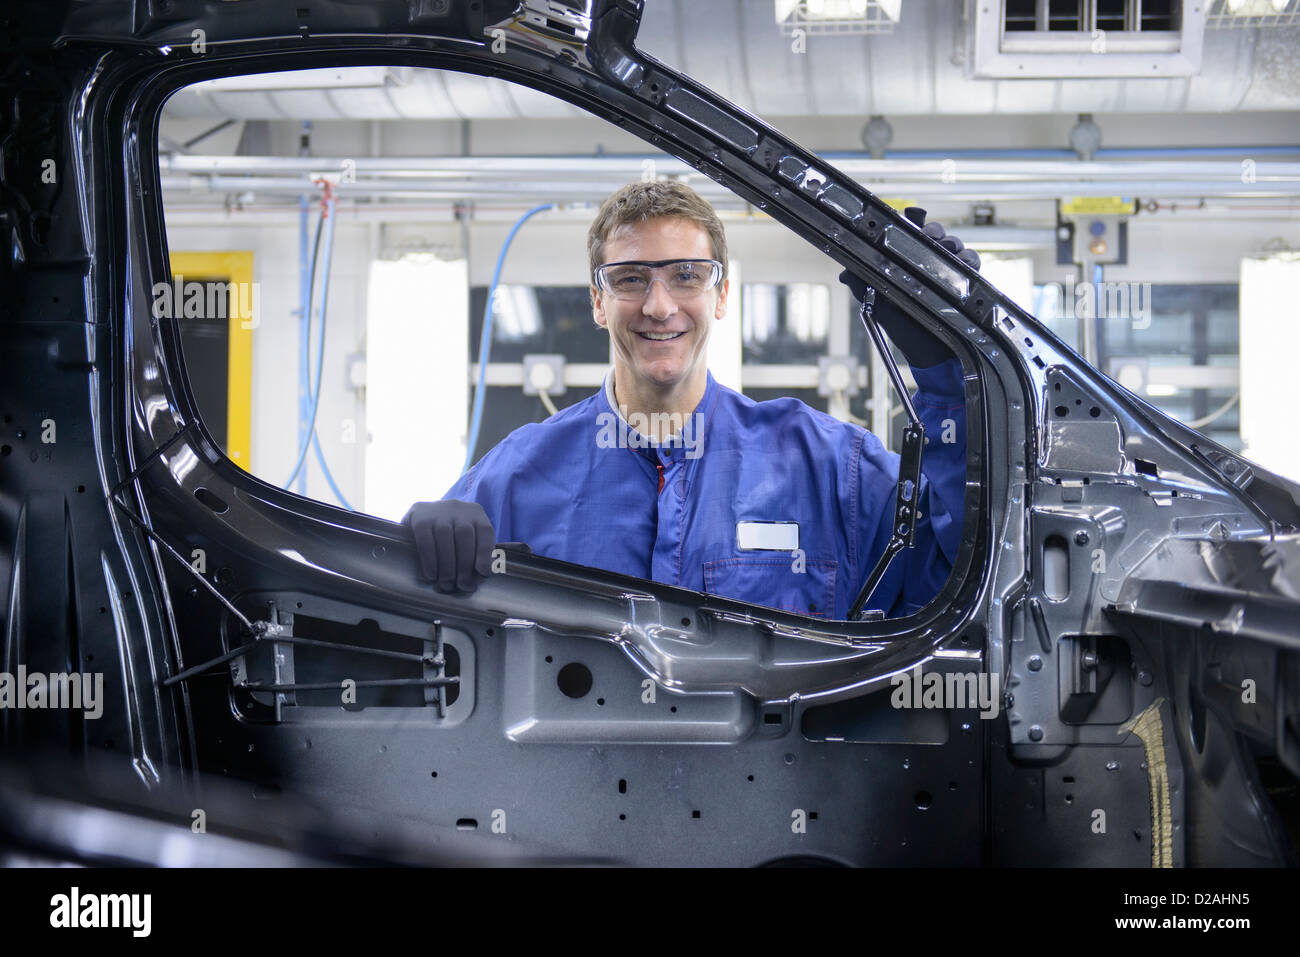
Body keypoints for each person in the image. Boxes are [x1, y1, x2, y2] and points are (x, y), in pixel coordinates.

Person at [405, 181, 978, 619]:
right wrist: (411, 547)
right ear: (598, 302)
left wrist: (951, 373)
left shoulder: (833, 469)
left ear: (721, 294)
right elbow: (426, 629)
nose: (658, 306)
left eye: (686, 275)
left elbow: (957, 580)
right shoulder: (515, 477)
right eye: (630, 279)